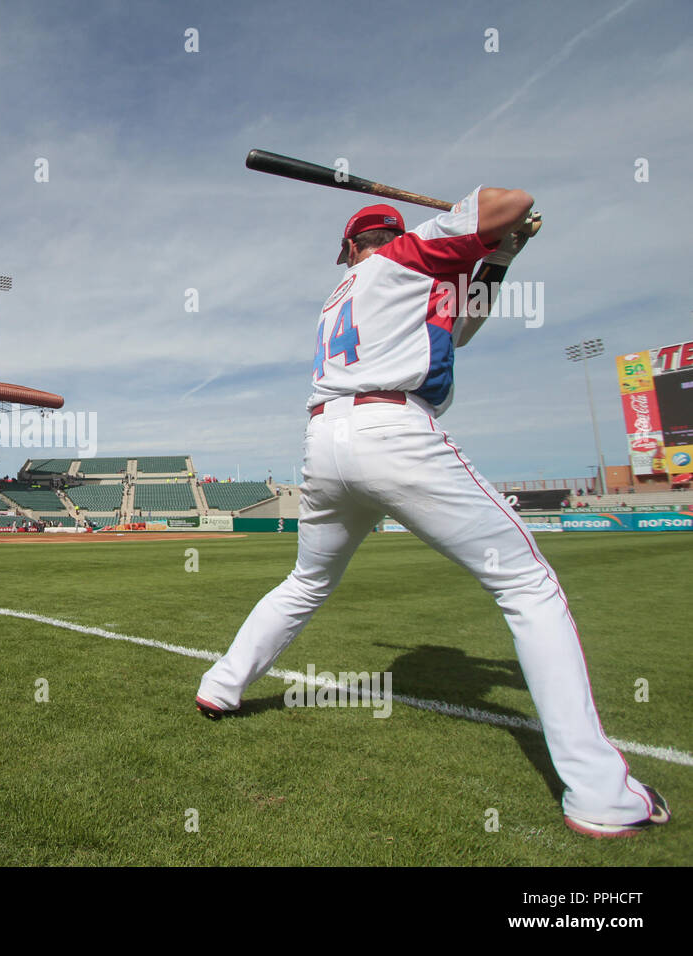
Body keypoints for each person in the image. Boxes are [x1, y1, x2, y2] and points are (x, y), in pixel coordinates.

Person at [194, 186, 668, 839]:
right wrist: (497, 227)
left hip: (325, 441)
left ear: (345, 249)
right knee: (527, 585)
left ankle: (223, 683)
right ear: (390, 236)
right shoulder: (410, 257)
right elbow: (509, 199)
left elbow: (460, 326)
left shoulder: (350, 291)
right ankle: (601, 794)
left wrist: (499, 255)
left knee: (306, 582)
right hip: (392, 429)